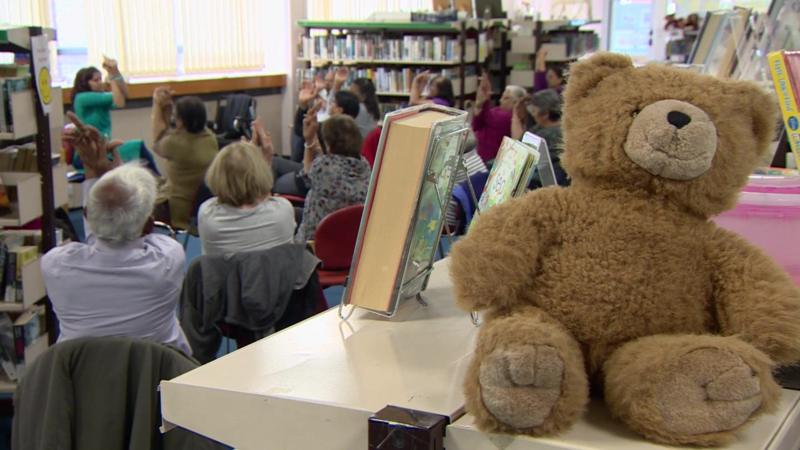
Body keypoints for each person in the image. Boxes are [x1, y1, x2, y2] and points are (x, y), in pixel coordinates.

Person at [42, 113, 190, 355]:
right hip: (158, 373)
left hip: (83, 376)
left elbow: (100, 233)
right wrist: (110, 172)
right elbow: (109, 228)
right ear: (148, 226)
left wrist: (94, 170)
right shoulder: (168, 258)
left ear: (86, 215)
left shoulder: (56, 266)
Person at [199, 130, 295, 257]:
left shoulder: (208, 216)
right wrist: (261, 160)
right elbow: (266, 199)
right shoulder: (283, 211)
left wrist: (249, 155)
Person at [151, 88, 219, 229]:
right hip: (202, 208)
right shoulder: (210, 137)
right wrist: (167, 109)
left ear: (181, 121)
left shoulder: (177, 144)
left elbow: (156, 141)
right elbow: (169, 133)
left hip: (178, 210)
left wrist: (157, 105)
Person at [296, 114, 371, 242]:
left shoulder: (322, 167)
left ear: (328, 144)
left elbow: (306, 175)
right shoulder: (365, 167)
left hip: (314, 243)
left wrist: (309, 141)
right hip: (350, 241)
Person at [511, 89, 568, 185]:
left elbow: (518, 155)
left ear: (545, 114)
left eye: (533, 110)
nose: (531, 114)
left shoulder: (550, 135)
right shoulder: (540, 127)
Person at [472, 74, 527, 163]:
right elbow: (476, 126)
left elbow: (491, 118)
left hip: (494, 161)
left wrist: (483, 100)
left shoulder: (510, 117)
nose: (501, 100)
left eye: (506, 98)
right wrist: (479, 104)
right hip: (479, 155)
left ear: (516, 102)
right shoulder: (496, 110)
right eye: (502, 97)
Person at [71, 57, 128, 140]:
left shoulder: (100, 97)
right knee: (138, 144)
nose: (100, 83)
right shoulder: (82, 97)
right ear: (85, 83)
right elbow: (117, 98)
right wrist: (111, 75)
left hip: (104, 143)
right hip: (92, 146)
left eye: (100, 79)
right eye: (96, 80)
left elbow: (121, 100)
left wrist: (115, 71)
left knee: (137, 145)